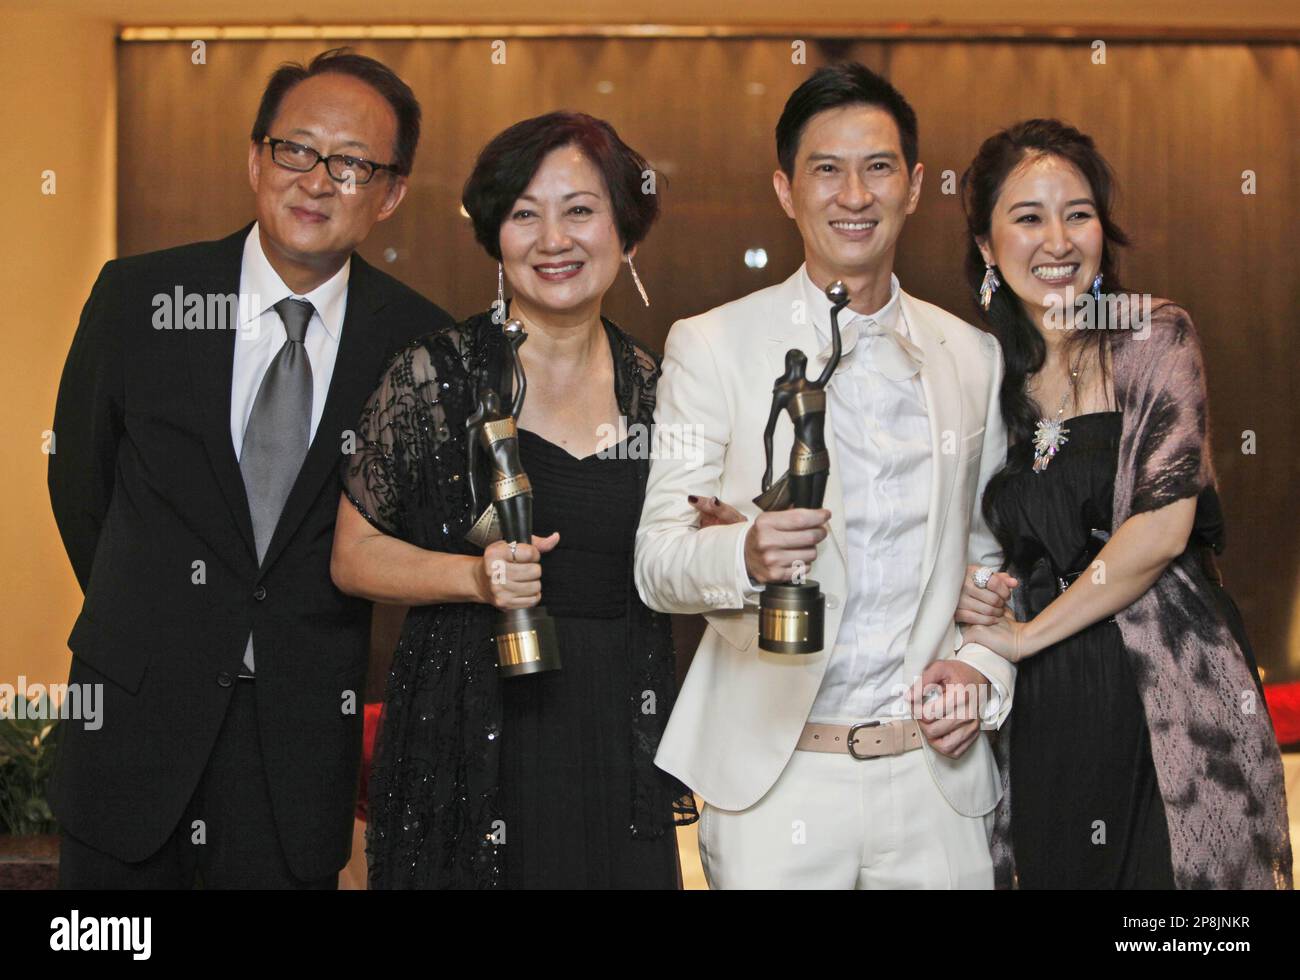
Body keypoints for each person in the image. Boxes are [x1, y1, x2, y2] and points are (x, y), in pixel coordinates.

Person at [47, 49, 449, 888]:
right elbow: (81, 488)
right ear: (255, 157)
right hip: (133, 725)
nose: (315, 181)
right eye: (294, 149)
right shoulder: (140, 297)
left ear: (392, 192)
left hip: (298, 746)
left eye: (351, 163)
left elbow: (410, 537)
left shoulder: (417, 346)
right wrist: (161, 623)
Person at [634, 62, 1013, 889]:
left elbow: (993, 561)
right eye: (826, 169)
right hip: (778, 786)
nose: (854, 194)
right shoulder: (712, 345)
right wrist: (746, 556)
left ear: (914, 187)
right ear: (785, 189)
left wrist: (984, 673)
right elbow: (658, 560)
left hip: (934, 783)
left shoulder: (974, 357)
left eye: (878, 167)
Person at [331, 111, 696, 889]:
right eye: (525, 214)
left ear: (625, 234)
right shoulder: (435, 376)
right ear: (497, 238)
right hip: (468, 736)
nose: (552, 239)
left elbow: (688, 559)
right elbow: (351, 557)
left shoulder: (663, 392)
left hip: (614, 740)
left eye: (580, 210)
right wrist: (473, 578)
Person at [954, 118, 1293, 889]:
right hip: (1041, 704)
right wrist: (980, 594)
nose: (1059, 240)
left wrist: (1026, 634)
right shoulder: (983, 371)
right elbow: (968, 534)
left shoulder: (1151, 334)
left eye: (1079, 213)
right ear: (984, 244)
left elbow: (1162, 528)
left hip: (1164, 681)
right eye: (1028, 217)